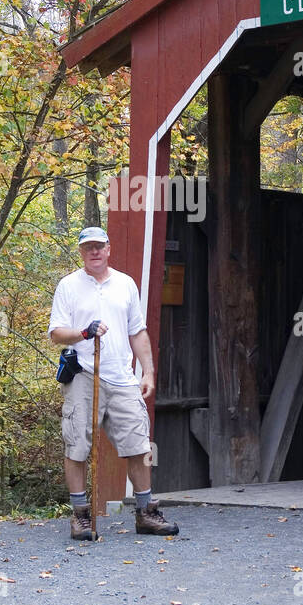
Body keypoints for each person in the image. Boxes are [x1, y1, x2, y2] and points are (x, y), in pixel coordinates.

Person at [48, 225, 179, 540]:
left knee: (139, 445)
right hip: (82, 374)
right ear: (81, 252)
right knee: (77, 445)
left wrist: (147, 371)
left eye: (99, 246)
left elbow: (137, 331)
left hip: (122, 376)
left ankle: (146, 512)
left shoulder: (125, 285)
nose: (94, 251)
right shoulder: (68, 286)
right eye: (88, 247)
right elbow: (56, 333)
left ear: (108, 249)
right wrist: (83, 332)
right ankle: (80, 516)